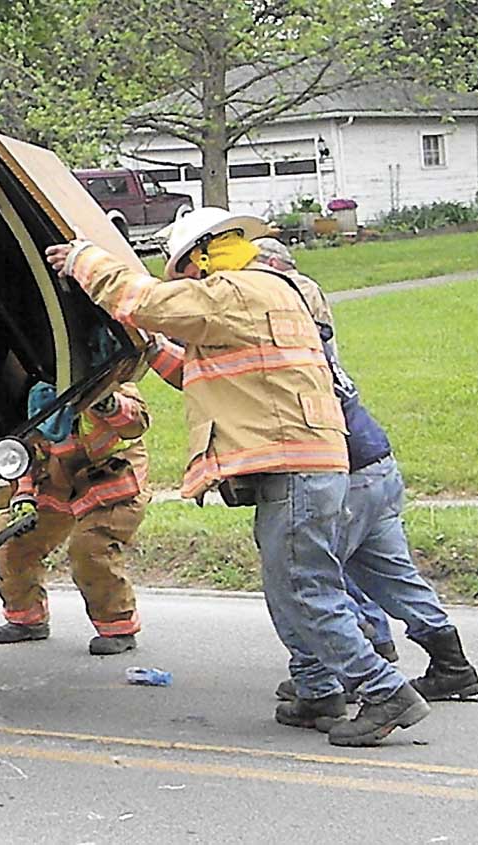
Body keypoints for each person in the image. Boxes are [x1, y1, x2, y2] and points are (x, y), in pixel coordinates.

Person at [45, 208, 430, 747]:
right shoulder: (270, 292)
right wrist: (155, 349)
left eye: (182, 268)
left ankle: (384, 690)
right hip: (302, 461)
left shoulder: (236, 291)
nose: (183, 281)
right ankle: (317, 688)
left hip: (295, 464)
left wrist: (85, 259)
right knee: (288, 585)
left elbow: (147, 301)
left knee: (304, 586)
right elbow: (205, 377)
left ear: (203, 255)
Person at [250, 237, 478, 718]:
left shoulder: (269, 336)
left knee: (300, 580)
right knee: (390, 573)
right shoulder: (314, 327)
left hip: (335, 471)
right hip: (376, 461)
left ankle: (322, 681)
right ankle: (451, 664)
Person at [0, 381, 151, 655]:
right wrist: (24, 495)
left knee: (90, 548)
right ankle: (27, 620)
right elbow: (19, 451)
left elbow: (137, 423)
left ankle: (117, 628)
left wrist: (110, 405)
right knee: (8, 541)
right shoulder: (18, 396)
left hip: (110, 482)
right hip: (56, 482)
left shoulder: (103, 377)